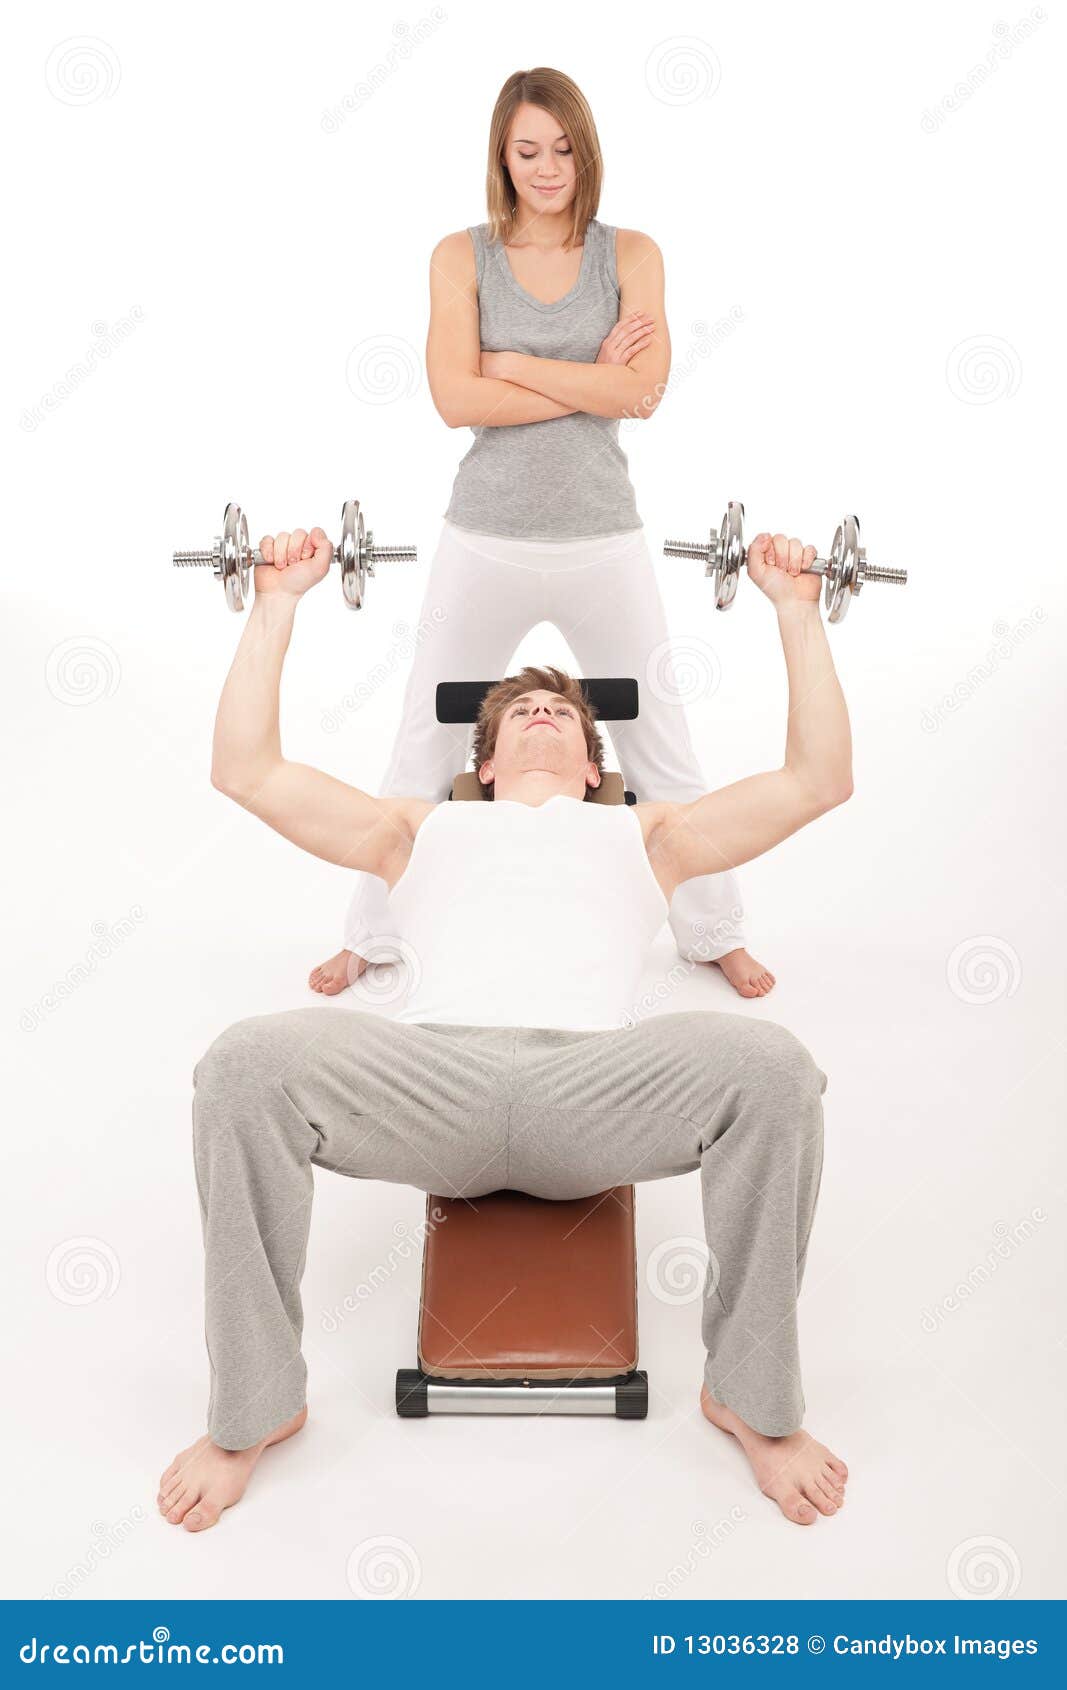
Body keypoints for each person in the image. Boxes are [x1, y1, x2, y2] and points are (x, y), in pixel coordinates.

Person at [158, 523, 852, 1536]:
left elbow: (815, 781)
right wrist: (274, 605)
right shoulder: (416, 827)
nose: (540, 712)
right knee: (241, 1064)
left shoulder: (648, 832)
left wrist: (795, 613)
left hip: (599, 1092)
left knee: (775, 1065)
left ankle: (750, 1396)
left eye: (559, 713)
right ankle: (255, 1409)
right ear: (480, 764)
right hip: (427, 1084)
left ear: (589, 766)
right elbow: (247, 771)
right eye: (519, 711)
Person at [308, 65, 776, 1005]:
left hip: (604, 536)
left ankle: (713, 931)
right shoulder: (459, 255)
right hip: (483, 535)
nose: (547, 167)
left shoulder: (630, 253)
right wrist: (581, 376)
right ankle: (372, 937)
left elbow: (639, 394)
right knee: (421, 745)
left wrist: (510, 360)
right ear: (502, 155)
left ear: (585, 149)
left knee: (660, 744)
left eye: (562, 148)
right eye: (527, 150)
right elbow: (452, 400)